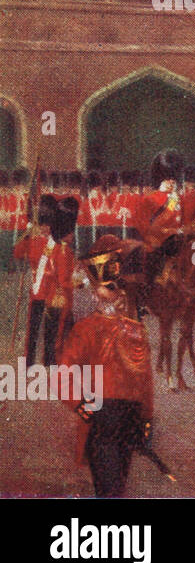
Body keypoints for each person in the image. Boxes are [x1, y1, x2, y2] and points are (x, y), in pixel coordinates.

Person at [58, 235, 154, 497]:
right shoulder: (90, 329)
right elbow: (64, 374)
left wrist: (146, 417)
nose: (119, 293)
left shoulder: (130, 330)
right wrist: (80, 404)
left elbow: (146, 381)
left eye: (120, 287)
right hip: (112, 414)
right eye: (112, 287)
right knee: (112, 487)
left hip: (118, 416)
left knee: (114, 487)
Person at [15, 194, 80, 365]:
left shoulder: (59, 246)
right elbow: (17, 253)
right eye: (42, 224)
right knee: (32, 331)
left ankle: (48, 362)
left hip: (51, 294)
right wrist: (27, 233)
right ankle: (28, 362)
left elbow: (63, 276)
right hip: (37, 292)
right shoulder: (34, 240)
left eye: (47, 224)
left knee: (51, 333)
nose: (44, 228)